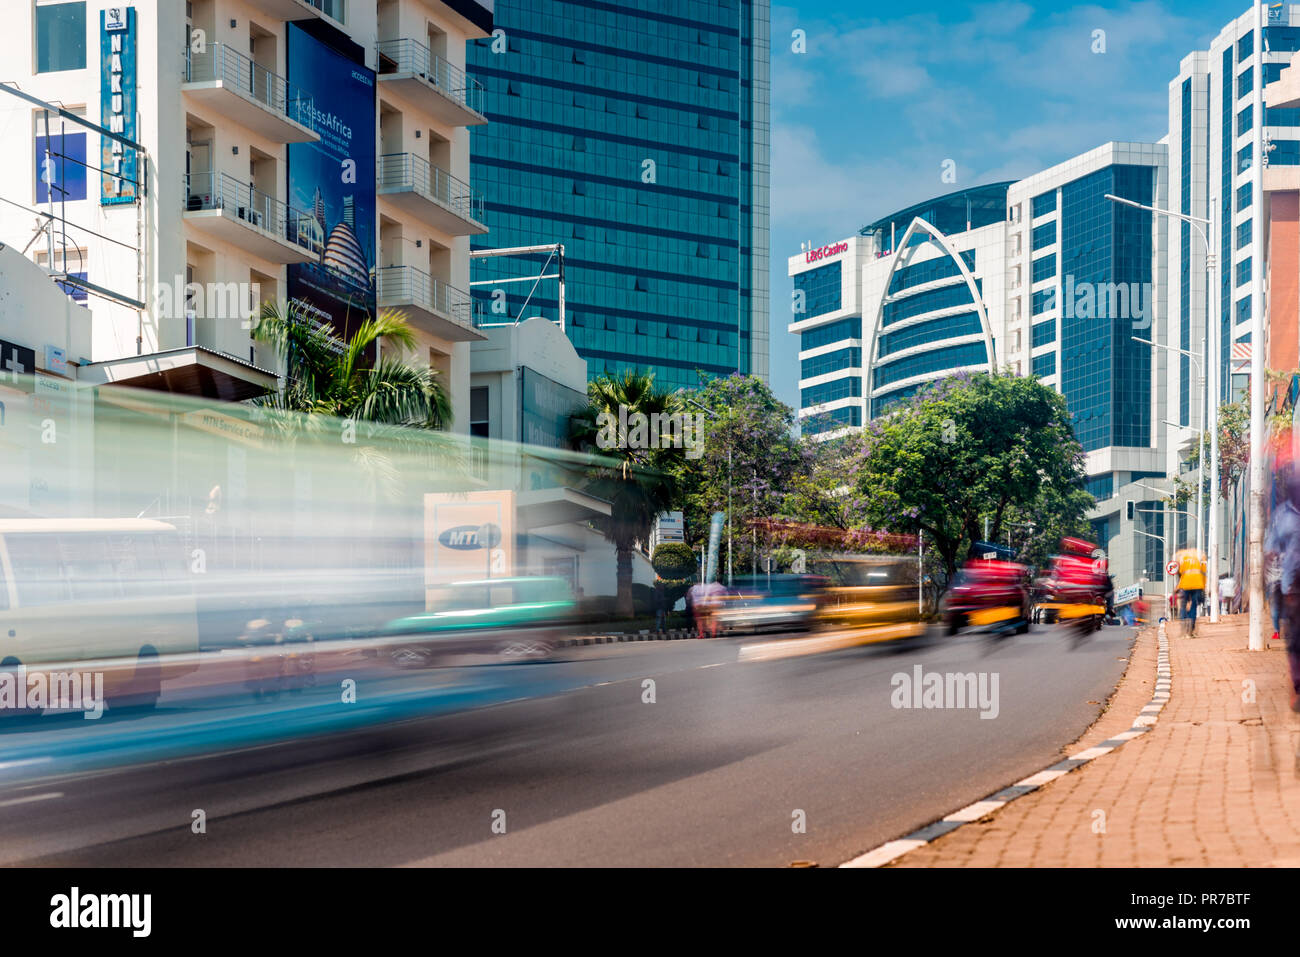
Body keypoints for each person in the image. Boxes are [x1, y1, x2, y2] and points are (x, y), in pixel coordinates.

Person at [1266, 473, 1300, 710]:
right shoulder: (1282, 517)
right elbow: (1270, 550)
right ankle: (1297, 687)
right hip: (1292, 588)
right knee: (1295, 642)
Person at [1176, 547, 1207, 635]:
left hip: (1185, 584)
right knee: (1194, 605)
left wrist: (1178, 585)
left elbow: (1180, 571)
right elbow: (1204, 572)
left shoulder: (1182, 555)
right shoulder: (1201, 555)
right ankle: (1192, 626)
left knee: (1183, 604)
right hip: (1198, 584)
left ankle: (1184, 624)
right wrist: (1204, 586)